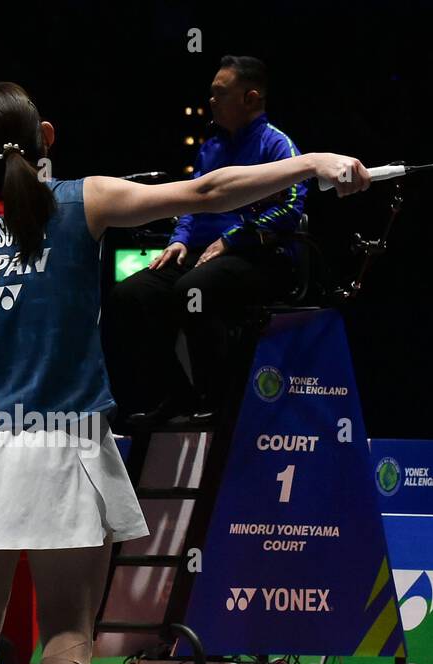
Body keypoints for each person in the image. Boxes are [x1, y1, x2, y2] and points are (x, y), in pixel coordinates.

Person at [0, 77, 367, 664]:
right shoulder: (81, 204)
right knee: (65, 640)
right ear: (47, 135)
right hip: (64, 447)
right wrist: (312, 163)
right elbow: (212, 188)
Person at [105, 54, 309, 426]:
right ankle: (177, 395)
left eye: (220, 94)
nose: (210, 101)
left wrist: (232, 240)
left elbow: (293, 207)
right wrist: (180, 238)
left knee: (192, 288)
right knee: (131, 293)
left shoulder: (277, 146)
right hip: (203, 255)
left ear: (251, 98)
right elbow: (190, 201)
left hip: (262, 258)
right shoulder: (210, 148)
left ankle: (220, 399)